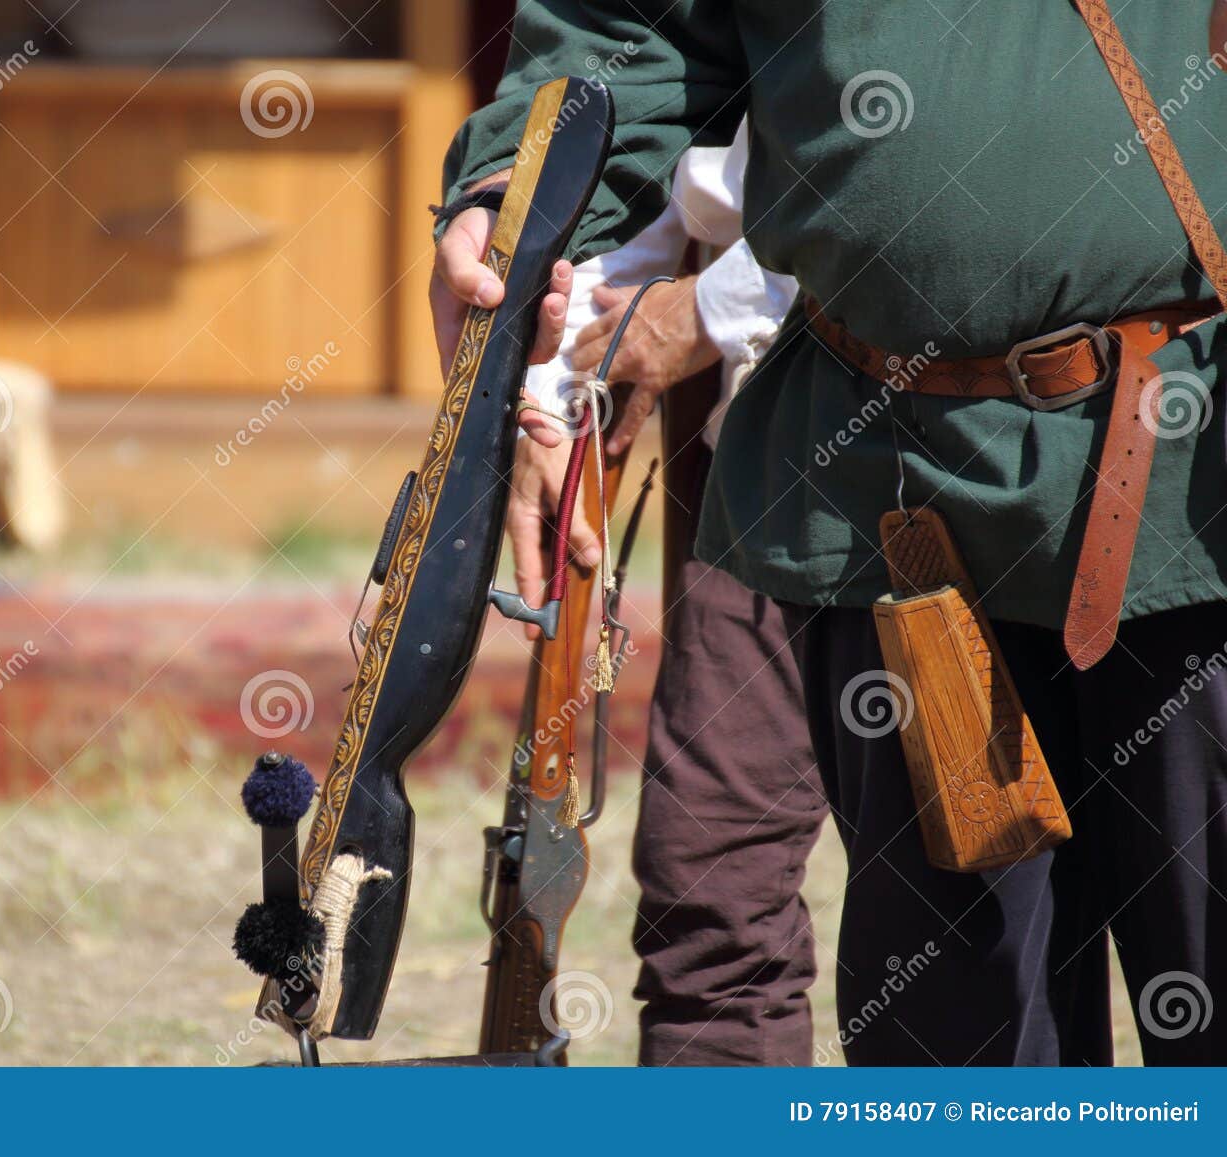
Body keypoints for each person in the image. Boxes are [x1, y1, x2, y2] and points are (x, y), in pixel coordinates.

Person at [431, 2, 1227, 1065]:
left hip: (1196, 469)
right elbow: (630, 29)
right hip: (893, 482)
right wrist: (512, 205)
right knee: (951, 1040)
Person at [515, 136, 826, 1066]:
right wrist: (553, 393)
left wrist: (716, 304)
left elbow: (952, 174)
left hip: (991, 405)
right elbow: (656, 133)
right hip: (754, 423)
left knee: (982, 891)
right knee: (710, 882)